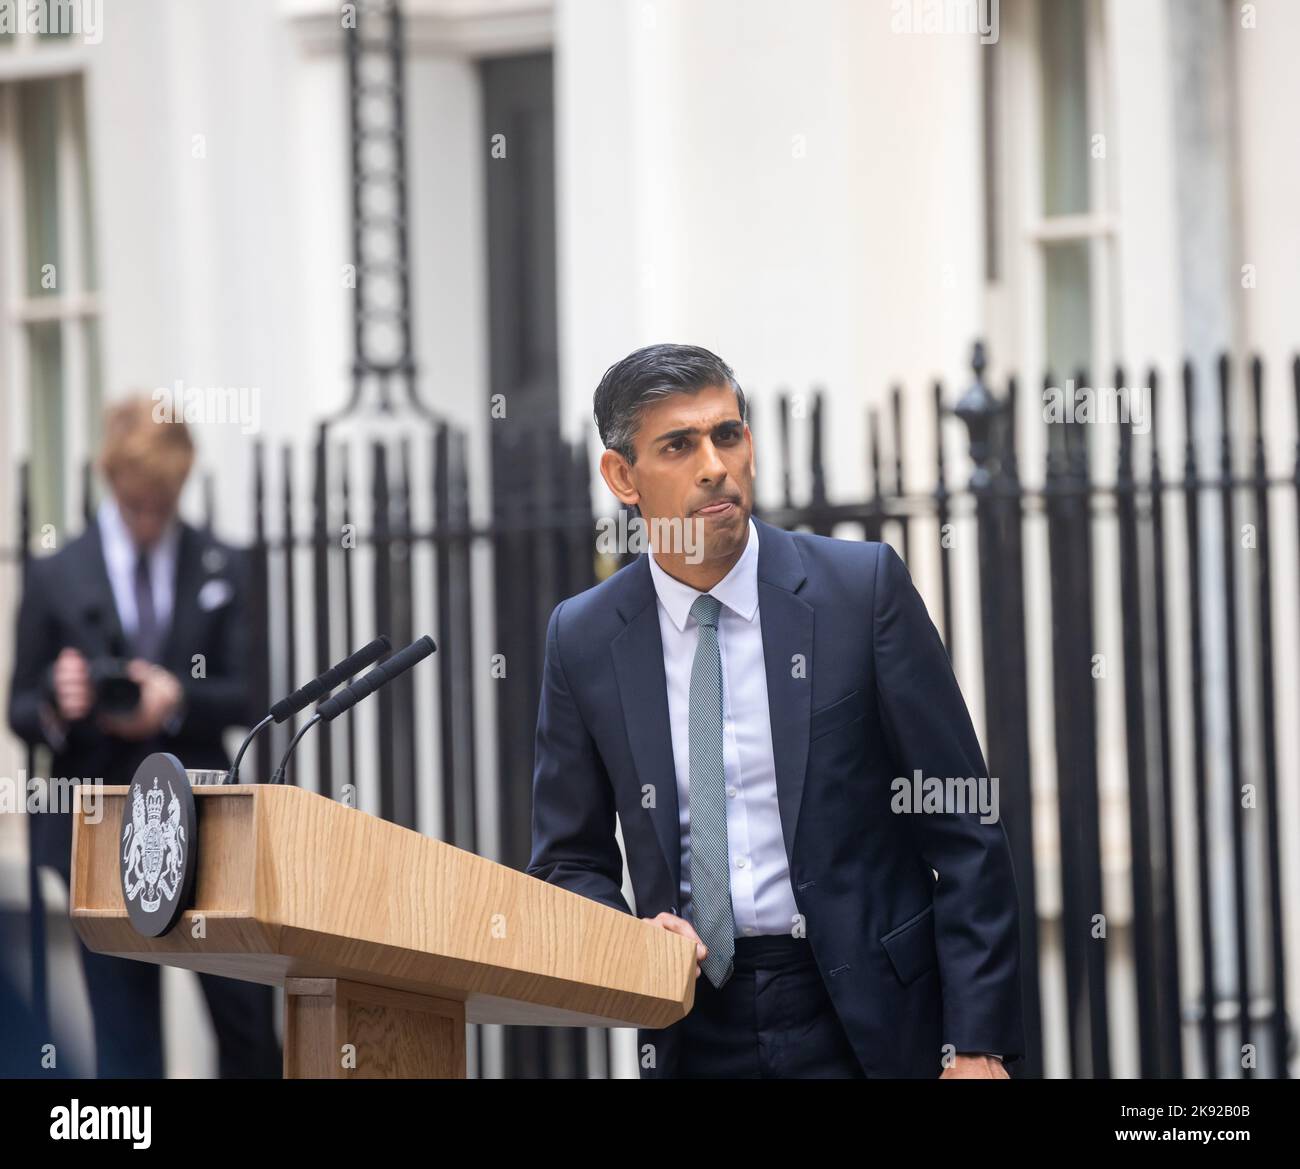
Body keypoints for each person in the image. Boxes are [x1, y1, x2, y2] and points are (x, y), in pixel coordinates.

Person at [527, 343, 1024, 1079]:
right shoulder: (585, 636)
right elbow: (568, 858)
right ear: (622, 476)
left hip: (872, 1019)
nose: (713, 465)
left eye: (728, 433)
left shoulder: (861, 591)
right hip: (695, 1023)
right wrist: (633, 934)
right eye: (679, 444)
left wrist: (977, 1044)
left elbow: (965, 827)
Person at [8, 395, 281, 1078]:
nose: (149, 521)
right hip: (101, 830)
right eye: (136, 506)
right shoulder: (56, 574)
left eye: (162, 505)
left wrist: (176, 700)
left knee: (247, 1024)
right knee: (125, 1045)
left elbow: (255, 690)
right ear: (113, 486)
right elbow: (19, 706)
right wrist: (58, 697)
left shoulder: (222, 563)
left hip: (209, 825)